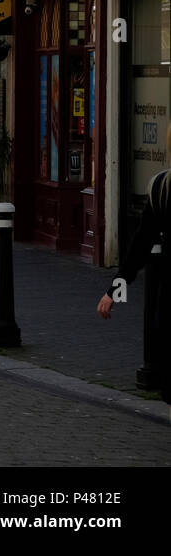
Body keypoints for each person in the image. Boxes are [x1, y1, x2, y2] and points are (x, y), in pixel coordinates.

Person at [98, 137, 171, 423]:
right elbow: (140, 247)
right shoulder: (162, 188)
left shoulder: (161, 187)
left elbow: (140, 247)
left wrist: (113, 291)